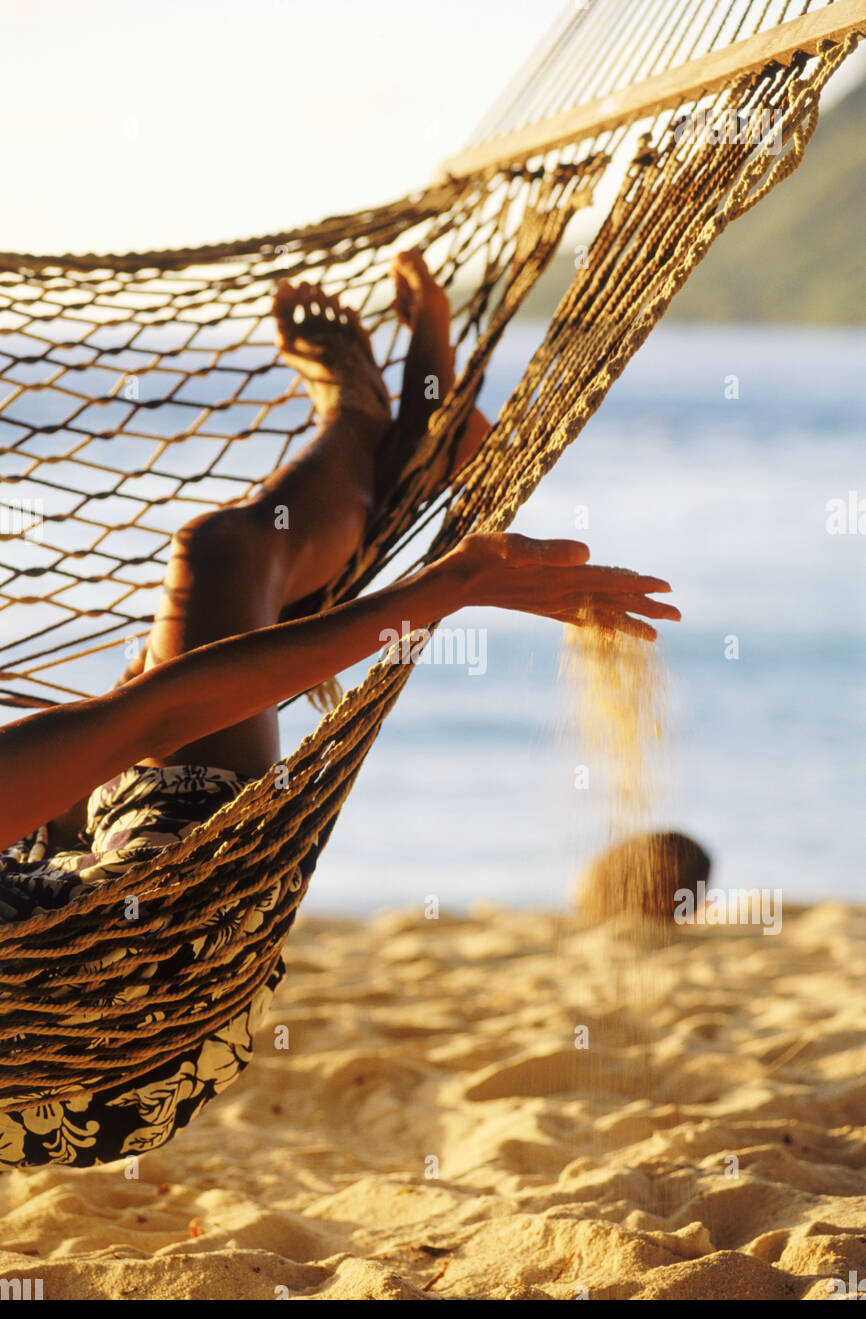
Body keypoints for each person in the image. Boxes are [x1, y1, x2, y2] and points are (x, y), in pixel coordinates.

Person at [0, 251, 679, 1168]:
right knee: (219, 562)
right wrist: (446, 589)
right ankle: (364, 431)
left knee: (166, 669)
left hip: (46, 1069)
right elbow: (155, 723)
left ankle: (399, 466)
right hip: (149, 983)